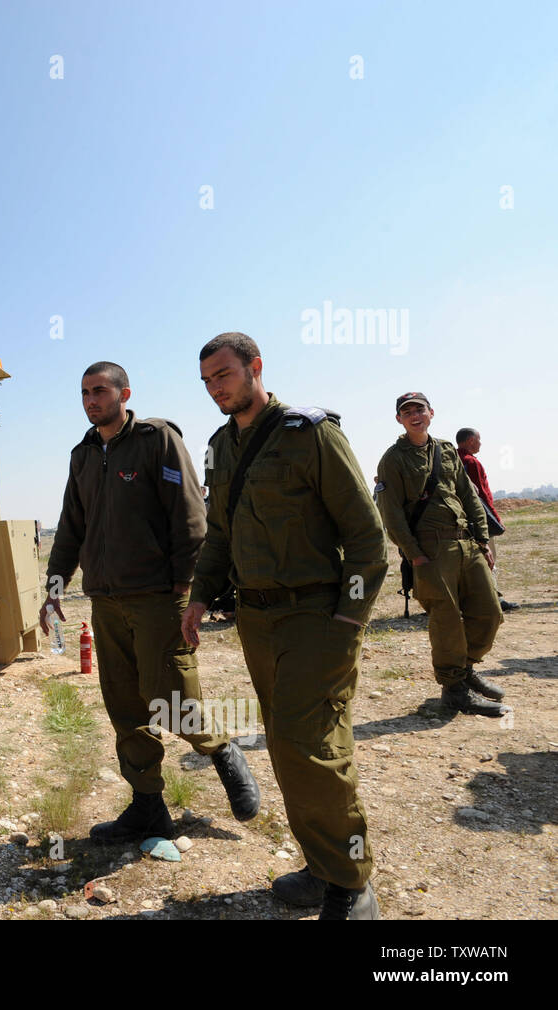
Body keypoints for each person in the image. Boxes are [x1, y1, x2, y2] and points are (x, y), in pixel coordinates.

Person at [180, 332, 388, 921]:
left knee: (312, 747)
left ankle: (352, 884)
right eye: (207, 381)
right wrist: (200, 598)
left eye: (224, 375)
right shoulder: (221, 446)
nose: (216, 388)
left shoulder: (311, 434)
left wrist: (348, 618)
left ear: (255, 368)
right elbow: (219, 534)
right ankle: (324, 867)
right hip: (257, 620)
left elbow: (368, 540)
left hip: (316, 617)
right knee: (289, 746)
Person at [42, 361, 261, 845]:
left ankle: (222, 750)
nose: (91, 400)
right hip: (106, 602)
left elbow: (189, 515)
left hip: (158, 599)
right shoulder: (81, 455)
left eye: (100, 391)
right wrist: (54, 585)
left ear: (124, 393)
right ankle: (147, 807)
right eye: (84, 393)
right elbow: (71, 527)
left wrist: (190, 593)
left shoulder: (157, 439)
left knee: (172, 699)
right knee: (125, 710)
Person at [375, 397, 506, 716]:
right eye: (407, 413)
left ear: (431, 413)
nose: (415, 416)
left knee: (489, 612)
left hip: (467, 543)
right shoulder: (392, 460)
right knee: (446, 621)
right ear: (399, 420)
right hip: (431, 551)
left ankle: (465, 670)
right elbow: (390, 513)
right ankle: (454, 690)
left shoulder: (446, 450)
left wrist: (482, 538)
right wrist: (414, 554)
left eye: (420, 410)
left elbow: (468, 494)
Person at [455, 427, 519, 612]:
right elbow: (481, 496)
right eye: (478, 439)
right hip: (478, 520)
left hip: (460, 522)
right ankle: (494, 598)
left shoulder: (452, 461)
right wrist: (496, 519)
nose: (481, 443)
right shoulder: (470, 462)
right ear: (469, 441)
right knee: (489, 558)